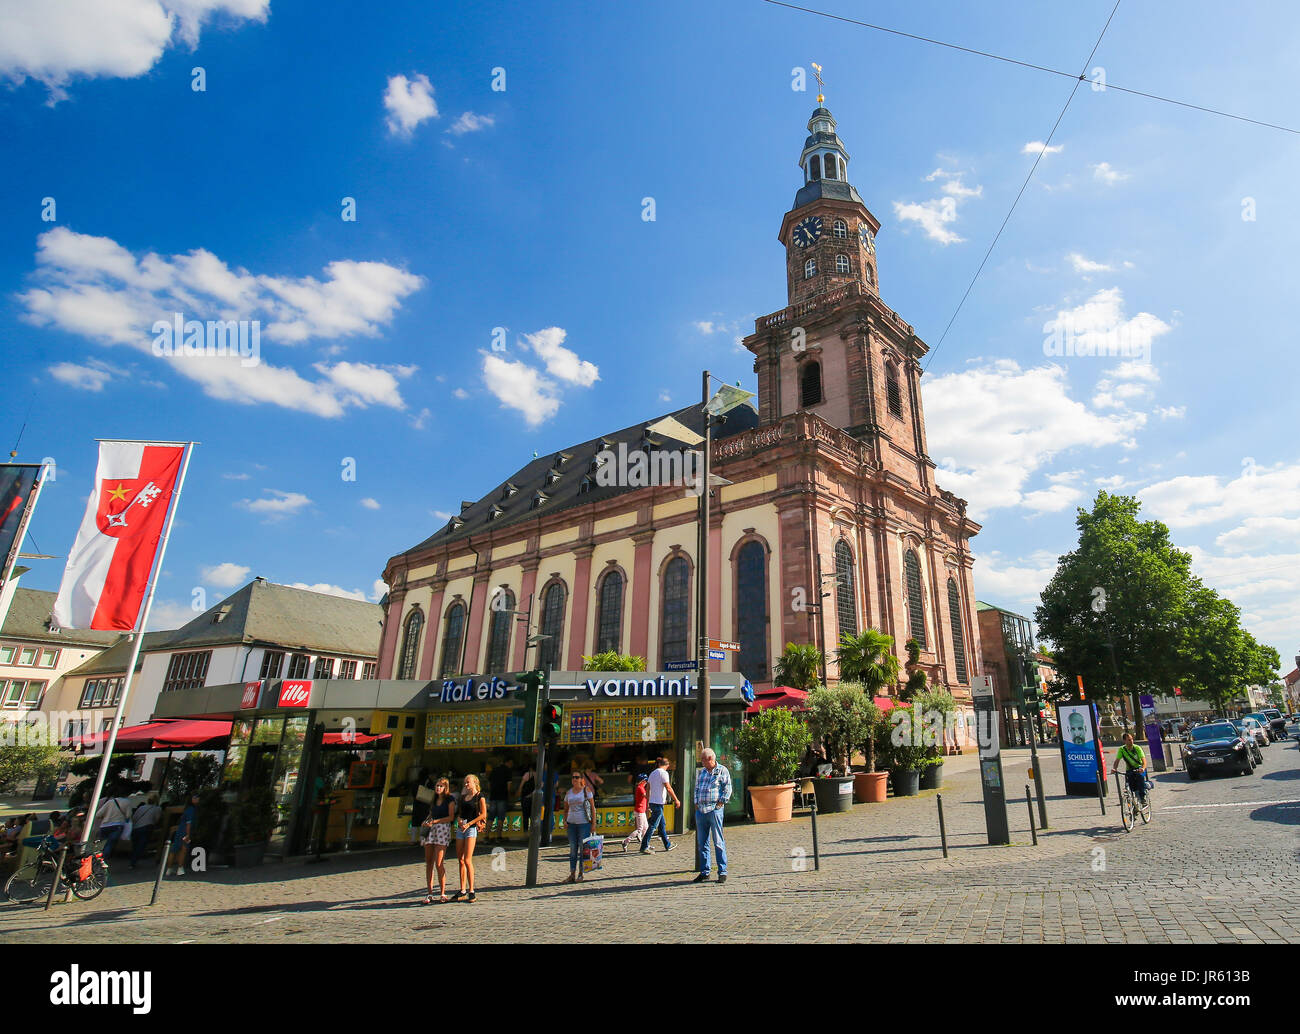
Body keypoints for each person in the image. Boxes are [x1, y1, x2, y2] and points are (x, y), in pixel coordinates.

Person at [692, 748, 732, 884]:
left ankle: (722, 871)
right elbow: (696, 789)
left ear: (710, 759)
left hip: (714, 809)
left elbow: (727, 787)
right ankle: (705, 872)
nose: (702, 762)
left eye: (703, 759)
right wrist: (696, 804)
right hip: (701, 811)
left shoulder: (722, 770)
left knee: (718, 841)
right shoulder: (701, 773)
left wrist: (721, 803)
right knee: (702, 842)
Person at [420, 777, 455, 903]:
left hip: (442, 829)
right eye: (437, 786)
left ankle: (442, 892)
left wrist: (435, 821)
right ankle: (429, 893)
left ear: (445, 787)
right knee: (429, 862)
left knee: (439, 863)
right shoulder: (434, 799)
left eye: (441, 786)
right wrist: (427, 820)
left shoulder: (450, 799)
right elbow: (431, 813)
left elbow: (451, 817)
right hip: (431, 830)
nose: (438, 788)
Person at [454, 774, 486, 902]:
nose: (466, 785)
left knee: (467, 859)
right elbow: (459, 813)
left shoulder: (479, 796)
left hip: (471, 828)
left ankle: (472, 890)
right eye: (465, 783)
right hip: (462, 827)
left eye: (468, 782)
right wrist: (460, 821)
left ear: (475, 783)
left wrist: (470, 823)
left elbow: (483, 814)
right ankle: (462, 890)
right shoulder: (463, 797)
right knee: (460, 859)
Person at [640, 756, 679, 855]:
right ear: (667, 765)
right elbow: (668, 788)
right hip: (658, 803)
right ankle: (644, 846)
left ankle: (667, 844)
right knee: (653, 826)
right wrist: (676, 800)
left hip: (653, 802)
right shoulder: (664, 773)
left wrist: (648, 801)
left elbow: (648, 788)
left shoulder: (652, 773)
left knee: (662, 825)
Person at [562, 770, 594, 883]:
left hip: (584, 824)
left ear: (581, 779)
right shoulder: (569, 793)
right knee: (572, 850)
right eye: (573, 777)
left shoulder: (586, 791)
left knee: (583, 849)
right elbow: (565, 809)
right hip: (571, 825)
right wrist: (565, 821)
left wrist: (593, 824)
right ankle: (572, 873)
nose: (574, 779)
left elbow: (592, 808)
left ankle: (581, 873)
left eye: (577, 777)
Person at [94, 793, 133, 859]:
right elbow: (128, 815)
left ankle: (96, 858)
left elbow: (98, 814)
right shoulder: (127, 802)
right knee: (109, 844)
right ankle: (103, 860)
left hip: (104, 826)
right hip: (117, 826)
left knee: (101, 844)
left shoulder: (110, 802)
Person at [168, 794, 199, 876]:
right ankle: (180, 868)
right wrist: (188, 834)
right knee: (183, 850)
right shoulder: (191, 810)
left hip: (180, 830)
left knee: (174, 849)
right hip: (185, 831)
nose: (198, 799)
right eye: (196, 797)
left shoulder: (187, 809)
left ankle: (169, 868)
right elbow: (189, 823)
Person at [129, 794, 162, 869]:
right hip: (147, 827)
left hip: (136, 827)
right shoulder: (157, 808)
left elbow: (134, 818)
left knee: (135, 845)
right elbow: (156, 819)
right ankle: (134, 861)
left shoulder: (141, 807)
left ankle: (132, 861)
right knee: (141, 845)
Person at [1116, 733, 1148, 805]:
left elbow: (1144, 760)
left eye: (1132, 739)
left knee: (1140, 778)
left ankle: (1143, 798)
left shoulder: (1137, 748)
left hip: (1139, 768)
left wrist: (1143, 768)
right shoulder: (1122, 749)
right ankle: (1133, 803)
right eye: (1129, 740)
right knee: (1130, 785)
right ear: (1124, 741)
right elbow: (1117, 760)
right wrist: (1114, 769)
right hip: (1129, 769)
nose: (1131, 741)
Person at [621, 773, 650, 853]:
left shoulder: (640, 787)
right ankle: (626, 841)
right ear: (643, 781)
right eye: (646, 781)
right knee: (640, 829)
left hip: (641, 810)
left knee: (646, 828)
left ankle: (646, 845)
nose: (646, 782)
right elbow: (646, 796)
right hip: (640, 811)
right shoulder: (640, 788)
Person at [486, 758, 513, 843]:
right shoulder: (508, 771)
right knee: (500, 817)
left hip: (493, 796)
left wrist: (491, 792)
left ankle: (486, 837)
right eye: (511, 763)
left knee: (491, 817)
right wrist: (509, 796)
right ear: (507, 762)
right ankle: (499, 837)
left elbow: (489, 783)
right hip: (502, 796)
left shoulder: (494, 770)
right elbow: (509, 785)